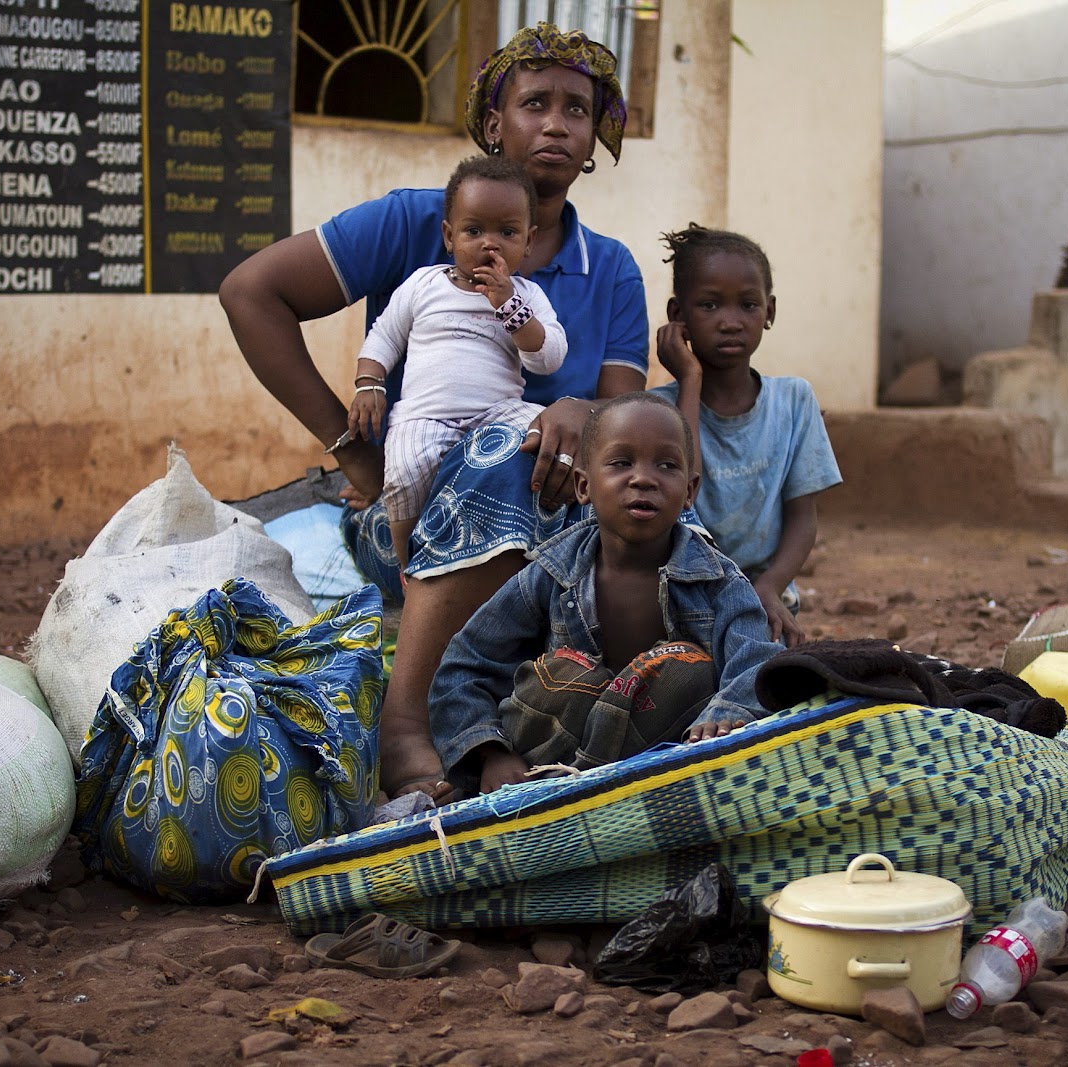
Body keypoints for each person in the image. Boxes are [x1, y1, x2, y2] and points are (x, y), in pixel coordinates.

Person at [219, 24, 647, 803]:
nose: (556, 123)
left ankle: (525, 734)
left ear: (594, 140)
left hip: (560, 530)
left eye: (578, 110)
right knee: (501, 451)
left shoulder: (610, 268)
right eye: (534, 103)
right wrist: (349, 444)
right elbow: (252, 292)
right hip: (413, 519)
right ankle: (405, 723)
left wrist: (581, 409)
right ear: (494, 124)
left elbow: (629, 420)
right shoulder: (414, 224)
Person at [429, 393, 784, 797]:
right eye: (621, 463)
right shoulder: (551, 573)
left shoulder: (719, 581)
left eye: (666, 465)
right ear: (584, 485)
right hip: (555, 754)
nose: (643, 478)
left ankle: (600, 790)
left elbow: (757, 658)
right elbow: (466, 664)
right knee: (558, 676)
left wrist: (726, 715)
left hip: (668, 754)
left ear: (689, 491)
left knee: (686, 673)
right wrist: (490, 752)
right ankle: (543, 787)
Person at [347, 155, 567, 573]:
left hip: (498, 412)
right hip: (425, 417)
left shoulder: (526, 295)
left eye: (507, 232)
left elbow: (548, 359)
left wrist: (509, 306)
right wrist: (369, 384)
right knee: (405, 470)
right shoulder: (423, 285)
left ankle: (542, 549)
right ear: (449, 236)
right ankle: (409, 567)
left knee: (543, 432)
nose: (490, 244)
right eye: (473, 231)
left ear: (529, 240)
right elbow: (384, 336)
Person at [650, 224, 842, 648]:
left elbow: (802, 517)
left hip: (764, 595)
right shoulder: (656, 411)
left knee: (762, 671)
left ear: (770, 311)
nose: (731, 322)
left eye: (748, 305)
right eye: (710, 305)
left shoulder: (794, 400)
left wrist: (771, 585)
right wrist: (689, 379)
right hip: (683, 594)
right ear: (677, 315)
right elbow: (684, 494)